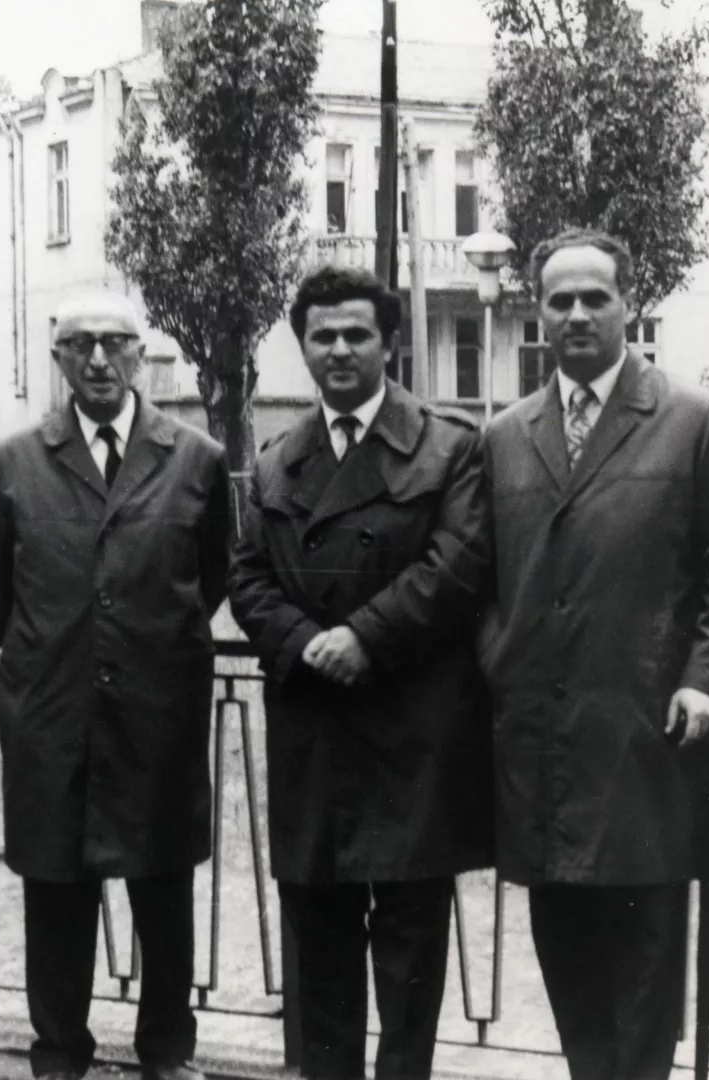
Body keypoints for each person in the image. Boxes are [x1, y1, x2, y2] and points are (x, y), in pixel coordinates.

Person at [480, 228, 709, 1080]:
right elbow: (483, 583)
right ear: (537, 312)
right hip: (543, 752)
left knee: (644, 977)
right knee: (566, 965)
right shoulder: (505, 435)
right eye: (558, 300)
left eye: (593, 297)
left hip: (646, 748)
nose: (575, 314)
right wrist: (501, 663)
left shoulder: (691, 420)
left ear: (628, 305)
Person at [229, 265, 493, 1080]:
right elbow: (245, 576)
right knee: (321, 956)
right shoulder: (277, 461)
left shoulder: (451, 447)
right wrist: (307, 641)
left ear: (390, 343)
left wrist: (363, 639)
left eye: (357, 334)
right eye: (322, 335)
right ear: (302, 346)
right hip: (316, 738)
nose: (339, 350)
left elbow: (458, 565)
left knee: (411, 962)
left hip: (414, 738)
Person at [0, 292, 231, 1080]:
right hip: (54, 714)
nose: (97, 359)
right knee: (56, 891)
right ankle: (57, 1053)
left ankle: (166, 1051)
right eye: (79, 344)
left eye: (114, 343)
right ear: (57, 359)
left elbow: (212, 577)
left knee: (163, 892)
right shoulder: (14, 463)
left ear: (140, 353)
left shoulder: (196, 459)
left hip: (158, 715)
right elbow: (5, 584)